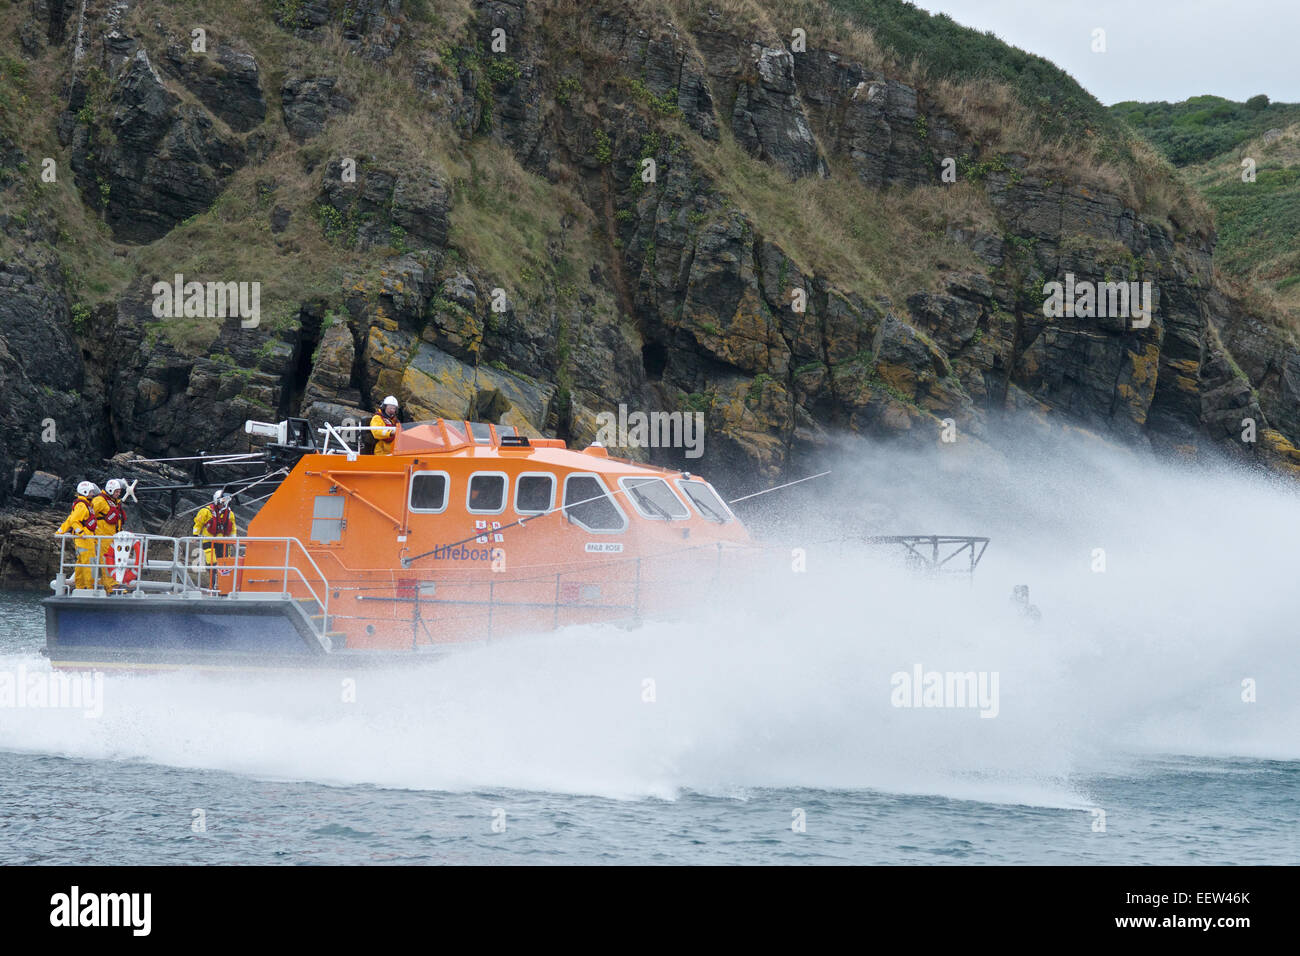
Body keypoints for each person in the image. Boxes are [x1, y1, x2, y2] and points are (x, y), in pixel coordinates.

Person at [56, 481, 100, 590]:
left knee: (81, 565)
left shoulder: (86, 504)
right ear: (84, 492)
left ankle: (80, 587)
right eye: (90, 492)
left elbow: (70, 519)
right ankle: (90, 588)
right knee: (89, 564)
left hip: (87, 539)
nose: (92, 494)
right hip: (85, 540)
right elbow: (74, 521)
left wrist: (61, 531)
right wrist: (81, 533)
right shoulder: (82, 505)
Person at [193, 489, 238, 589]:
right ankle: (213, 585)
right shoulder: (205, 511)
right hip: (209, 542)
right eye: (223, 502)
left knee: (225, 565)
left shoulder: (230, 514)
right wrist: (195, 535)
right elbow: (198, 524)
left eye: (226, 502)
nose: (224, 504)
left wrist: (234, 540)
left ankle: (224, 586)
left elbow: (233, 528)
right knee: (212, 564)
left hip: (223, 542)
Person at [93, 478, 129, 591]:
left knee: (112, 560)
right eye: (117, 492)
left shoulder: (113, 502)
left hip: (112, 537)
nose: (119, 494)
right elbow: (87, 514)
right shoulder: (99, 501)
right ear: (110, 490)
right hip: (102, 536)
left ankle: (109, 582)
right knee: (107, 560)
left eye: (119, 491)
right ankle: (111, 586)